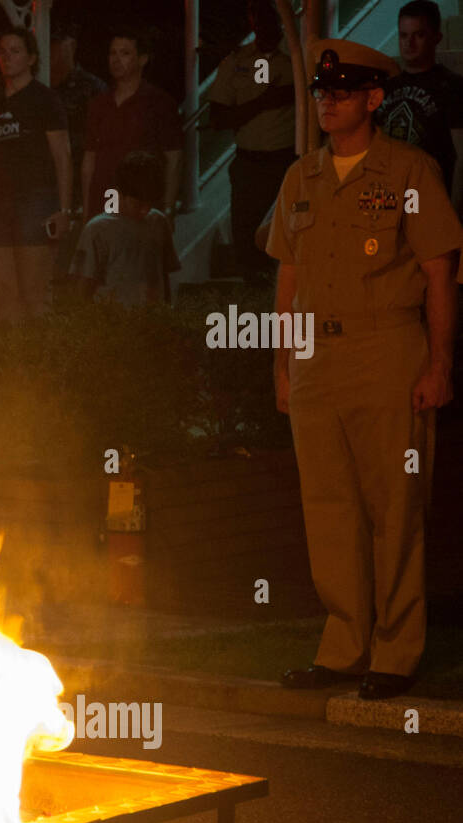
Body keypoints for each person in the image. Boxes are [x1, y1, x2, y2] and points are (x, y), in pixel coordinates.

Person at [267, 41, 463, 701]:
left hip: (386, 352)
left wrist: (440, 363)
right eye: (323, 91)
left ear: (374, 98)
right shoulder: (301, 177)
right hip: (318, 357)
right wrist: (283, 359)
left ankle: (397, 652)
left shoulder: (410, 171)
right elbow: (287, 278)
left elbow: (441, 272)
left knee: (396, 506)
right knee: (329, 508)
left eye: (344, 90)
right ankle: (344, 646)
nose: (329, 100)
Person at [0, 27, 71, 322]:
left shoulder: (44, 99)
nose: (7, 57)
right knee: (3, 291)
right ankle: (11, 363)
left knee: (35, 291)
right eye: (3, 51)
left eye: (15, 51)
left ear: (31, 58)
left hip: (33, 199)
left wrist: (64, 209)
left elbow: (62, 156)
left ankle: (41, 362)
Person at [208, 0, 296, 286]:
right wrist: (263, 103)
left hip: (286, 164)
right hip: (249, 165)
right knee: (246, 238)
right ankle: (253, 299)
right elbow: (218, 116)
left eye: (269, 11)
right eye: (256, 12)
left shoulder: (297, 58)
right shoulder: (237, 62)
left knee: (288, 239)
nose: (263, 19)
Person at [82, 29, 183, 222]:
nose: (116, 59)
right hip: (103, 205)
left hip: (141, 205)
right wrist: (86, 214)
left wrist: (168, 210)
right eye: (112, 53)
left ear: (142, 59)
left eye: (125, 53)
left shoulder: (159, 103)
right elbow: (89, 160)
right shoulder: (98, 104)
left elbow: (174, 159)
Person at [377, 0, 463, 208]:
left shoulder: (452, 87)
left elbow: (462, 156)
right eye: (404, 35)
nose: (409, 43)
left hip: (430, 199)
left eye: (419, 35)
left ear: (436, 38)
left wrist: (454, 210)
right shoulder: (384, 88)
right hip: (388, 198)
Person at [69, 150, 179, 306]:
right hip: (113, 322)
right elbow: (83, 286)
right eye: (138, 204)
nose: (145, 210)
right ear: (120, 193)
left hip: (152, 318)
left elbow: (164, 274)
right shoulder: (99, 229)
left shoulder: (158, 222)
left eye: (150, 204)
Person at [50, 19, 107, 280]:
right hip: (43, 196)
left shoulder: (92, 89)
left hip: (79, 197)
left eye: (55, 44)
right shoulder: (37, 91)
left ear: (70, 46)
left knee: (78, 274)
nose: (49, 50)